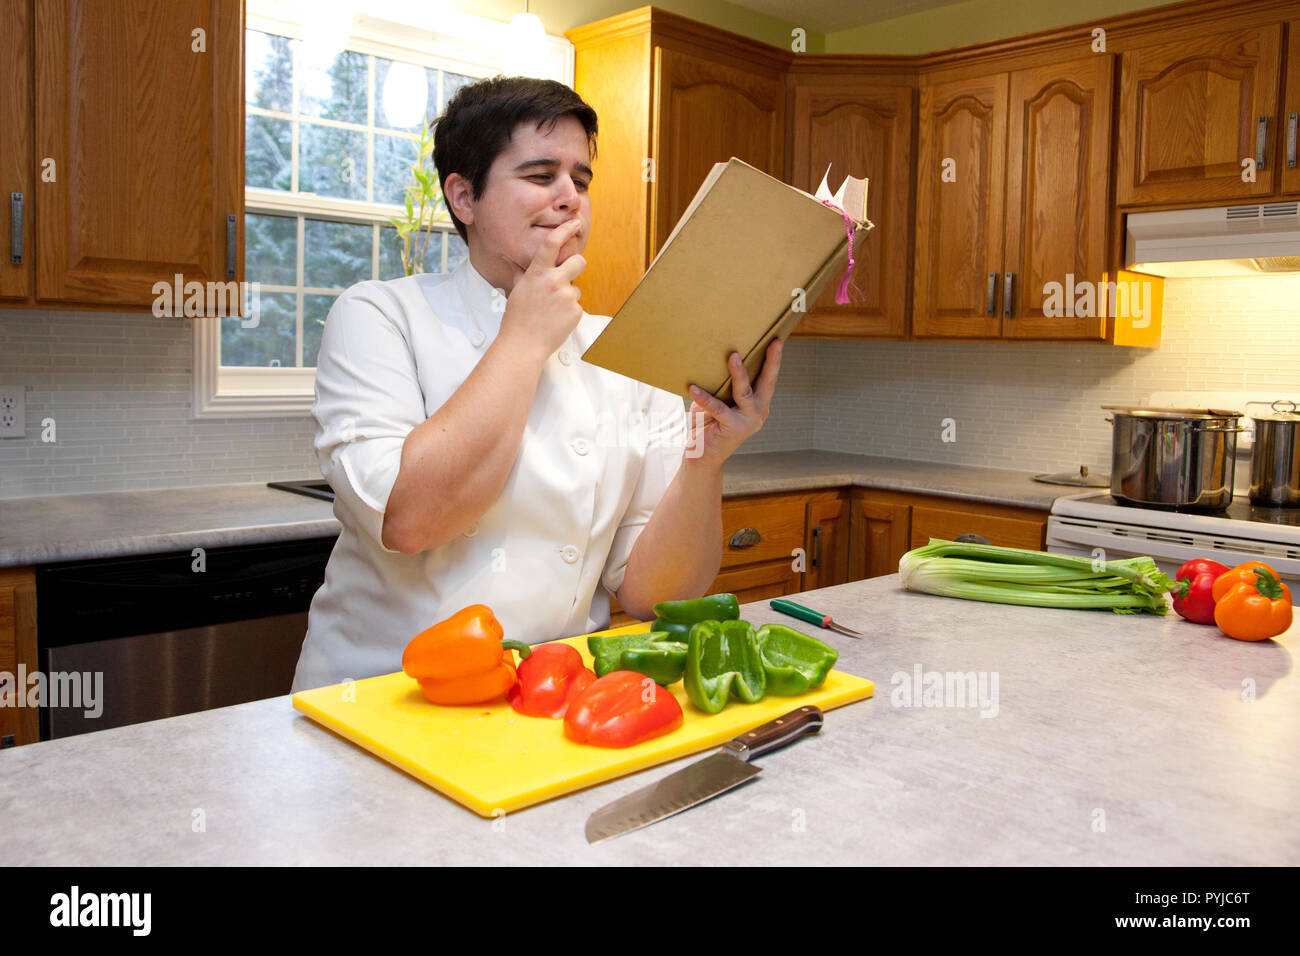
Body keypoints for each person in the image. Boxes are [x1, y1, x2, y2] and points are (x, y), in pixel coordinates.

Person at [291, 76, 782, 692]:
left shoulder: (627, 351)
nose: (569, 197)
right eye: (539, 174)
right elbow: (410, 521)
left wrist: (704, 464)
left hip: (551, 698)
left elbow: (655, 596)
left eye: (581, 180)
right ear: (464, 197)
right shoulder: (379, 315)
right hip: (384, 697)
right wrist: (523, 339)